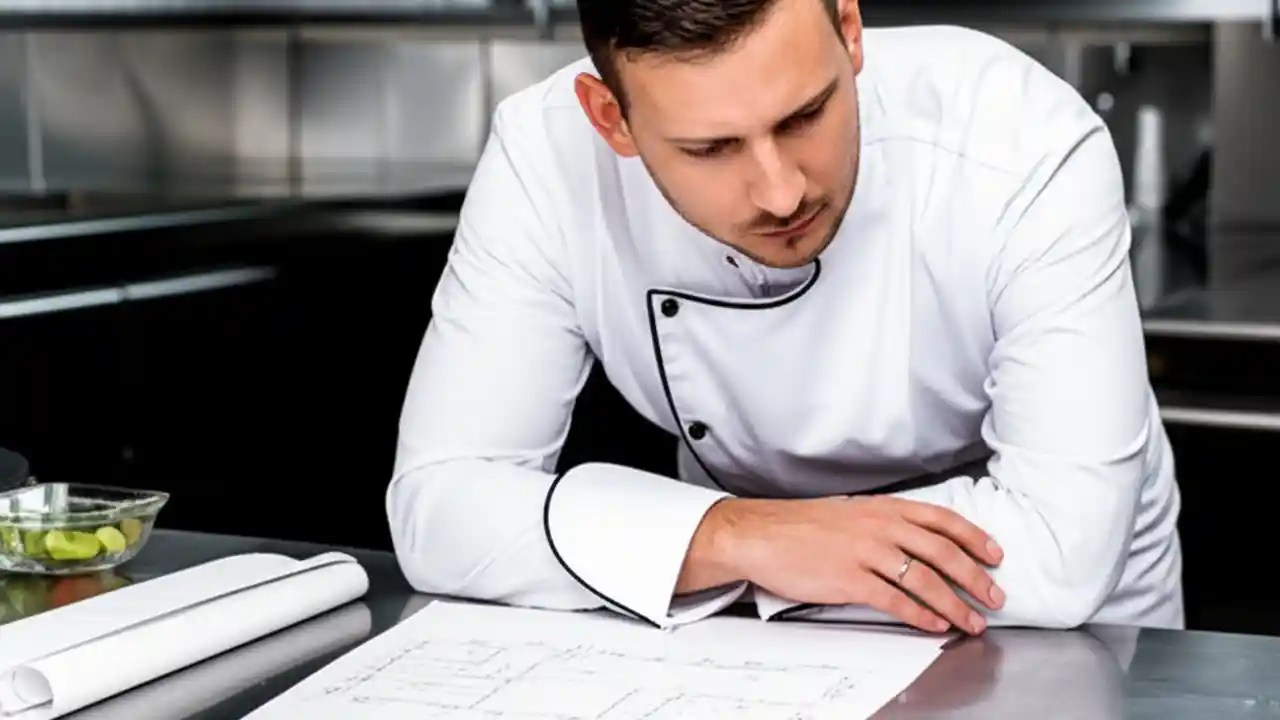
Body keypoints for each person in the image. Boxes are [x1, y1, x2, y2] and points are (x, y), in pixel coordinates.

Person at [386, 0, 1183, 635]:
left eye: (805, 117)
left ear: (849, 27)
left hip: (1052, 629)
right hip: (744, 621)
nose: (780, 193)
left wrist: (690, 548)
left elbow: (1061, 548)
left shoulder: (1023, 138)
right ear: (610, 120)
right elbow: (441, 510)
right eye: (710, 149)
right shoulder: (545, 160)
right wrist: (737, 538)